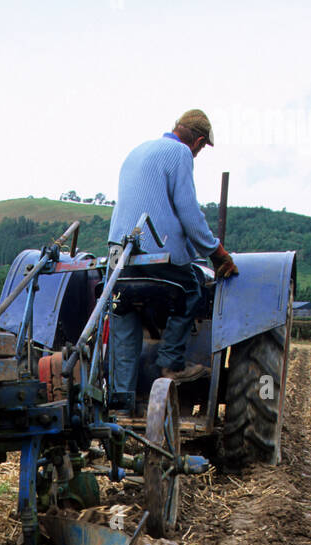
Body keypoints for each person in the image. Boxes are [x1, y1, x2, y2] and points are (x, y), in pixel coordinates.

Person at [107, 109, 239, 412]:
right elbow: (189, 214)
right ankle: (171, 364)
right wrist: (216, 252)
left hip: (120, 258)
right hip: (156, 255)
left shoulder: (136, 151)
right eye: (203, 148)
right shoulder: (180, 153)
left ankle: (121, 402)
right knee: (191, 289)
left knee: (123, 312)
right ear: (200, 142)